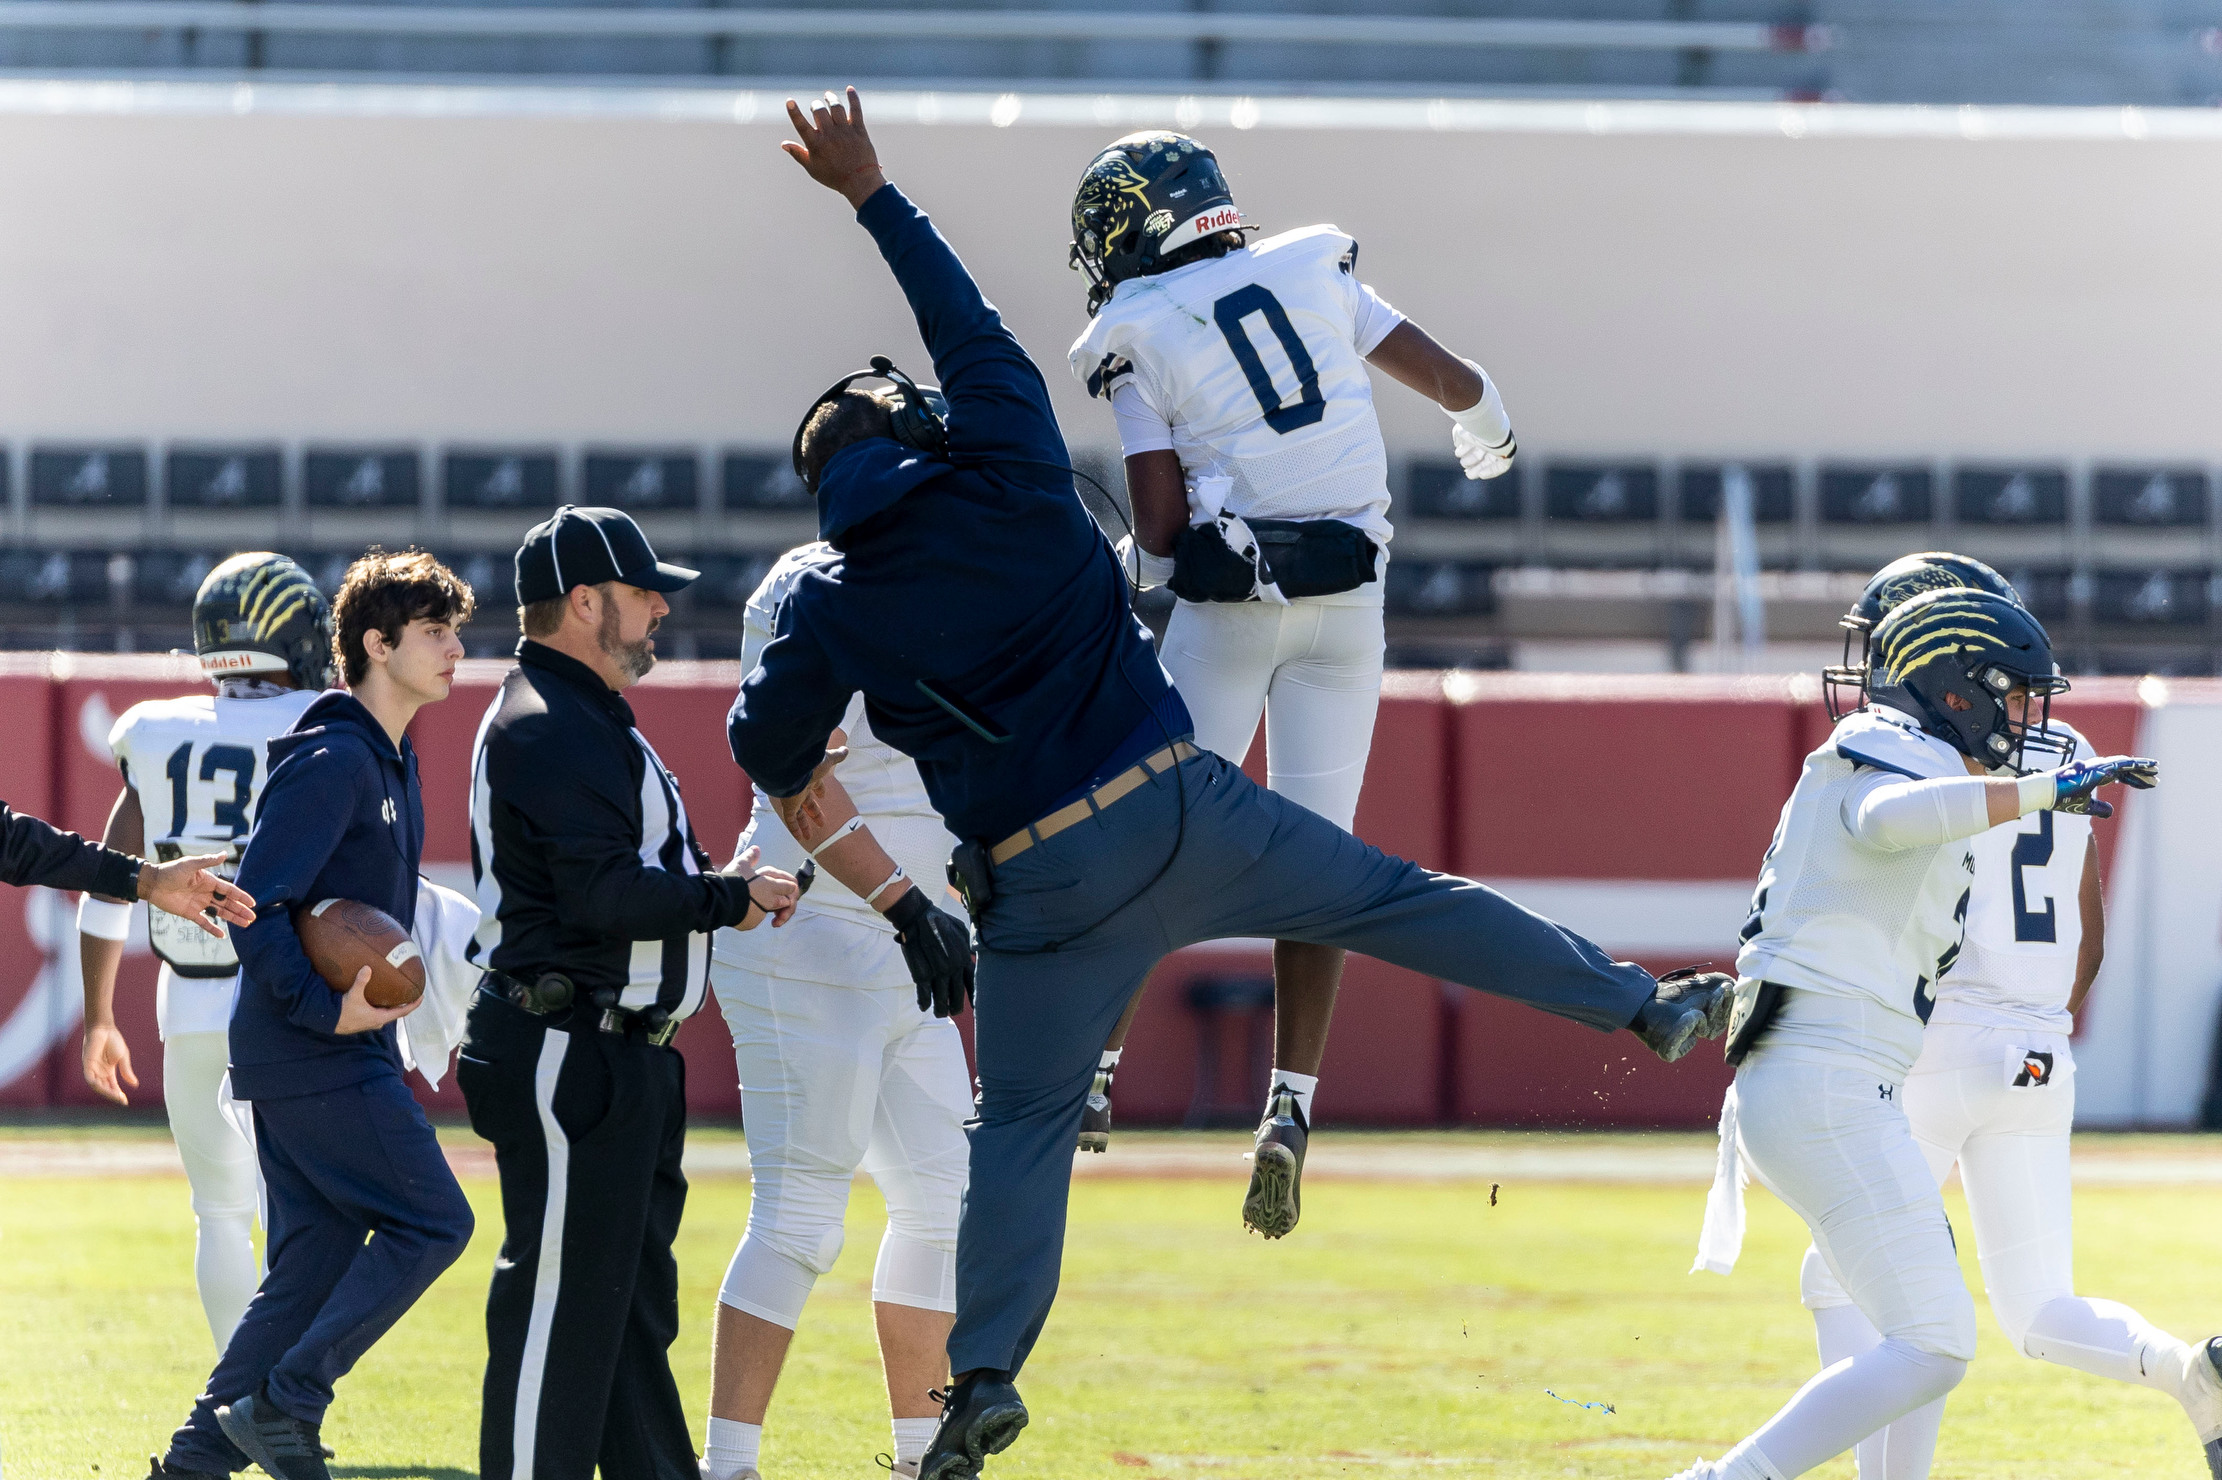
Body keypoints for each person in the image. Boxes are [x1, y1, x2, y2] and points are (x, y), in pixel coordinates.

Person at [732, 87, 1732, 1480]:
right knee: (1398, 897)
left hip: (1031, 891)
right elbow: (963, 315)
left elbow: (764, 752)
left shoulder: (828, 600)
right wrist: (870, 192)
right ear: (924, 427)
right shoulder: (1016, 463)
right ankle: (1641, 1001)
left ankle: (981, 1380)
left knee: (1014, 1127)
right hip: (1178, 806)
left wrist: (853, 822)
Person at [1063, 130, 1519, 1237]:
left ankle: (1092, 1072)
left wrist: (1127, 570)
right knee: (1319, 860)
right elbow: (1463, 385)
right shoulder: (1315, 264)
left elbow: (1163, 532)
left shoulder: (1131, 329)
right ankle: (1290, 1108)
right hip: (1346, 610)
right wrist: (1486, 438)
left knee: (1150, 842)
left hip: (1230, 614)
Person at [1670, 586, 2159, 1480]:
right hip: (1824, 1077)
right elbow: (1889, 820)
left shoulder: (1921, 753)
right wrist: (2040, 789)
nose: (2026, 717)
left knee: (1924, 1336)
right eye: (2011, 694)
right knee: (1930, 1336)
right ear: (1956, 688)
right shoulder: (1879, 744)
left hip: (1844, 1077)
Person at [1796, 556, 2222, 1478]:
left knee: (1849, 1278)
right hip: (2039, 1052)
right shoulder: (2067, 748)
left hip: (1932, 1045)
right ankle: (2189, 1374)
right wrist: (2029, 1033)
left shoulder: (1913, 751)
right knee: (2038, 1310)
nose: (1875, 668)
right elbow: (2087, 947)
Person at [459, 505, 801, 1480]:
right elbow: (599, 892)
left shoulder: (584, 713)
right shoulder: (548, 720)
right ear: (582, 600)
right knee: (562, 1316)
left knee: (625, 1320)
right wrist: (729, 896)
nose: (660, 607)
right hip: (571, 1043)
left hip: (619, 1053)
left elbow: (617, 872)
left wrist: (713, 882)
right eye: (644, 590)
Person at [147, 549, 478, 1480]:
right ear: (376, 644)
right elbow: (252, 903)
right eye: (435, 633)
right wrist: (324, 1013)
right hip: (313, 1055)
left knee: (300, 1280)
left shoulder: (391, 757)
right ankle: (289, 1403)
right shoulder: (333, 758)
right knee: (434, 1223)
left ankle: (187, 1470)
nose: (457, 648)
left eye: (456, 630)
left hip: (324, 1055)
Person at [702, 541, 975, 1480]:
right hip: (808, 926)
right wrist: (906, 898)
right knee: (798, 1217)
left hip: (909, 943)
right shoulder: (818, 584)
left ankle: (920, 1458)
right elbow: (798, 777)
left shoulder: (918, 574)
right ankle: (727, 1466)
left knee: (944, 1203)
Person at [80, 552, 331, 1352]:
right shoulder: (328, 720)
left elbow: (109, 882)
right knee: (294, 1207)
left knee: (219, 1211)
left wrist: (97, 1018)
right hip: (285, 1000)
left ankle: (234, 1400)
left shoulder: (156, 732)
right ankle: (283, 1402)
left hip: (188, 1003)